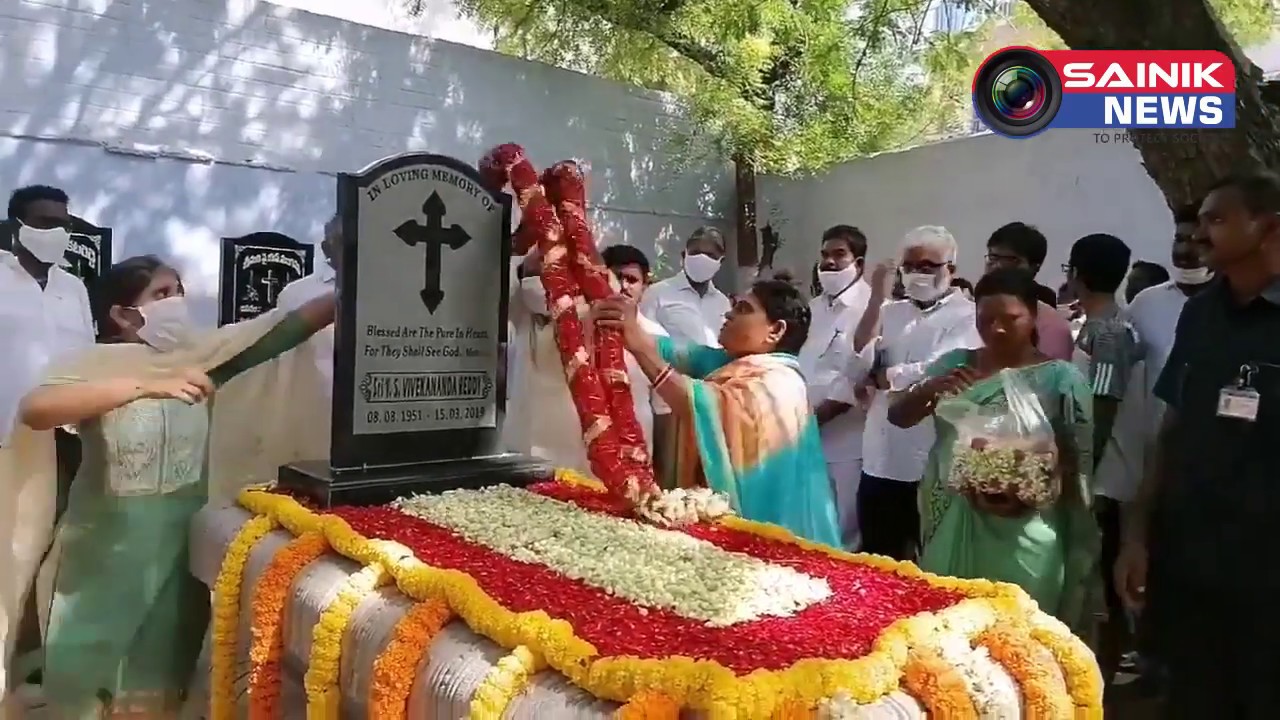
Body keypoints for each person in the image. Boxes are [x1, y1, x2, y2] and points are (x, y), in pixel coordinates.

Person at [1, 255, 334, 716]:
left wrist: (362, 280)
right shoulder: (92, 363)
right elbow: (37, 409)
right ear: (121, 314)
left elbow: (289, 326)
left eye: (178, 291)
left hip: (180, 551)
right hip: (103, 552)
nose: (176, 302)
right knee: (82, 668)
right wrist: (144, 386)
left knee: (162, 675)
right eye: (160, 294)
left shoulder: (203, 359)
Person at [1115, 173, 1280, 719]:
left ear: (1268, 227)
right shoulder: (1201, 312)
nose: (1201, 234)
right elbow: (1172, 426)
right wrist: (1138, 535)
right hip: (1190, 556)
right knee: (1191, 700)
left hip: (1266, 569)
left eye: (1218, 219)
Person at [888, 267, 1097, 631]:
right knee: (947, 629)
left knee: (1021, 634)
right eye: (986, 319)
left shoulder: (1061, 379)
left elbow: (1077, 461)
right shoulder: (955, 365)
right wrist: (930, 389)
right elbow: (898, 417)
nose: (997, 329)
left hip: (1026, 523)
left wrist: (1018, 483)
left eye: (1010, 318)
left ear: (1033, 315)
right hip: (955, 513)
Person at [595, 279, 841, 545]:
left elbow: (701, 406)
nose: (728, 313)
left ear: (775, 330)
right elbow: (671, 350)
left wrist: (640, 347)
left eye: (743, 309)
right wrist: (622, 318)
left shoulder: (778, 383)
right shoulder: (734, 362)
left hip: (770, 533)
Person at [851, 226, 980, 560]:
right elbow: (860, 354)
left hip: (928, 460)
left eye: (927, 266)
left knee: (925, 561)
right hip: (879, 453)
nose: (917, 274)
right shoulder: (892, 311)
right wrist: (877, 297)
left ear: (950, 269)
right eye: (909, 266)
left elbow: (942, 369)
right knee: (877, 557)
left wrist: (888, 376)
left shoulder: (967, 316)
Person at [504, 243, 666, 471]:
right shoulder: (547, 316)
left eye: (631, 279)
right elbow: (530, 287)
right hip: (544, 464)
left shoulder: (655, 337)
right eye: (616, 277)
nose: (622, 287)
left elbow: (665, 415)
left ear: (645, 284)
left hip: (622, 471)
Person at [1063, 232, 1142, 684]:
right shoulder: (1101, 326)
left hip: (1103, 474)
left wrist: (1085, 473)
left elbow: (1104, 405)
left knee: (1104, 572)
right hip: (1095, 469)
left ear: (1077, 274)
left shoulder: (1107, 331)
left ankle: (1113, 665)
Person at [797, 225, 873, 549]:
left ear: (859, 263)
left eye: (839, 254)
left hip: (848, 442)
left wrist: (818, 417)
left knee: (847, 529)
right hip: (804, 435)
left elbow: (859, 374)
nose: (829, 262)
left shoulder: (871, 309)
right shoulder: (812, 309)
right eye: (825, 255)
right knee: (811, 524)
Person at [983, 221, 1075, 361]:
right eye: (993, 257)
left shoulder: (1051, 326)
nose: (998, 266)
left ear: (1034, 267)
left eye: (1011, 260)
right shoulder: (968, 311)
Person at [275, 214, 341, 396]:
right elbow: (284, 365)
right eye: (343, 240)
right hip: (315, 408)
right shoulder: (296, 295)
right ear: (327, 248)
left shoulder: (383, 292)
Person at [640, 227, 731, 346]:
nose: (702, 259)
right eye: (695, 253)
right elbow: (644, 341)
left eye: (710, 255)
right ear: (684, 256)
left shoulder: (723, 303)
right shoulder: (657, 293)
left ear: (721, 261)